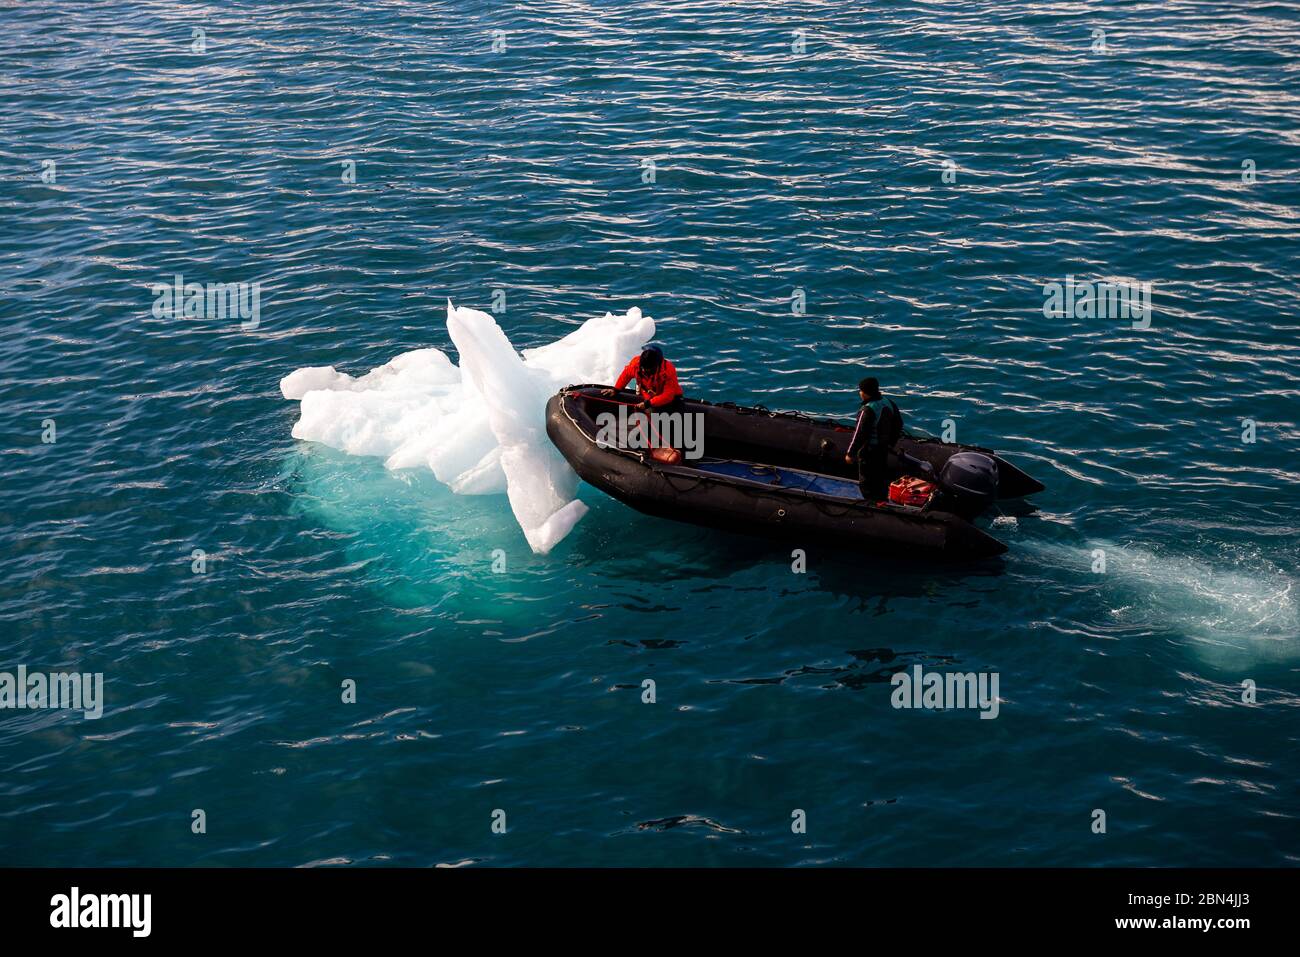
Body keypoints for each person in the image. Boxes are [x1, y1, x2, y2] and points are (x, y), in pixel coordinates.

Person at [845, 377, 903, 500]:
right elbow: (898, 425)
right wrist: (890, 444)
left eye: (860, 390)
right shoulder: (889, 402)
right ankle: (881, 500)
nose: (859, 393)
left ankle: (871, 503)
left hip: (869, 451)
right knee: (880, 477)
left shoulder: (867, 409)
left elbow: (859, 434)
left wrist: (850, 453)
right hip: (883, 449)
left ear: (864, 392)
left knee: (867, 481)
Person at [604, 345, 684, 412]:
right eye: (643, 369)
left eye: (649, 370)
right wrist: (616, 389)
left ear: (657, 365)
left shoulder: (668, 370)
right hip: (648, 394)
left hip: (670, 398)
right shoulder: (635, 364)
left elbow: (668, 395)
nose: (645, 372)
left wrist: (648, 404)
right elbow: (626, 375)